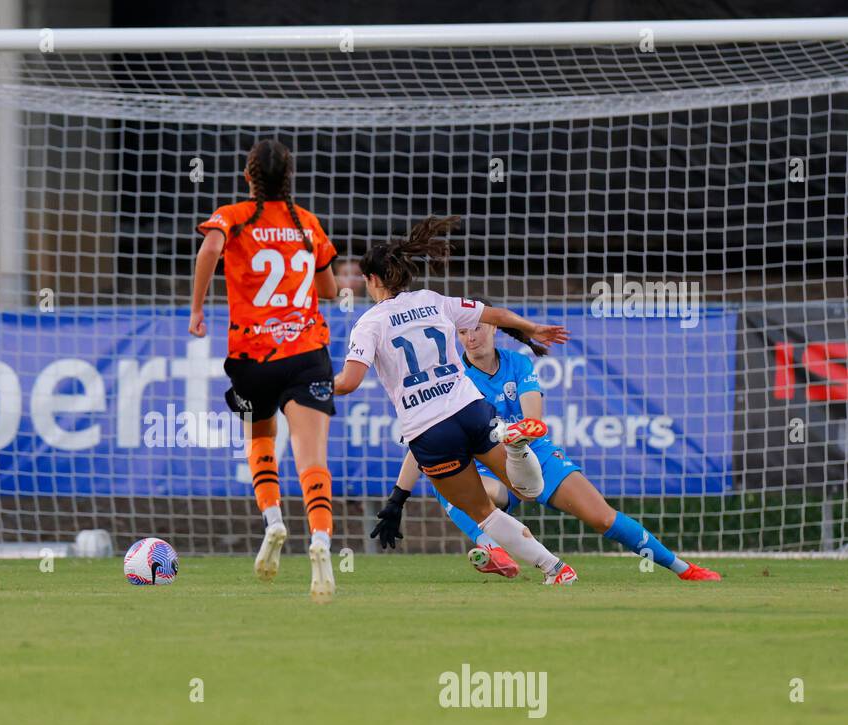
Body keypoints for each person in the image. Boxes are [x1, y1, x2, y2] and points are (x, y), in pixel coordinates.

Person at [374, 314, 721, 582]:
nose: (471, 337)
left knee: (602, 517)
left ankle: (683, 568)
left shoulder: (518, 364)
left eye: (478, 328)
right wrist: (397, 497)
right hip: (484, 466)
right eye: (463, 331)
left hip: (533, 452)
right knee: (446, 481)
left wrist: (523, 432)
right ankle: (495, 547)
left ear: (493, 328)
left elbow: (533, 418)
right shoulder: (450, 379)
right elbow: (424, 442)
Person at [334, 215, 578, 584]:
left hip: (431, 432)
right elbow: (491, 313)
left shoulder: (370, 323)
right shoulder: (433, 302)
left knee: (483, 512)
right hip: (471, 407)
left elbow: (349, 382)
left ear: (371, 280)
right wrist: (531, 328)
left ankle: (556, 569)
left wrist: (314, 385)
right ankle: (516, 448)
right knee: (529, 490)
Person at [191, 139, 341, 601]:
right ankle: (320, 542)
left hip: (254, 357)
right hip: (306, 352)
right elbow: (331, 290)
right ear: (288, 179)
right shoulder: (306, 223)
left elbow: (210, 250)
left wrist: (197, 310)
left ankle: (274, 521)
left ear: (247, 176)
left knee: (261, 441)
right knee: (312, 460)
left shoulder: (233, 216)